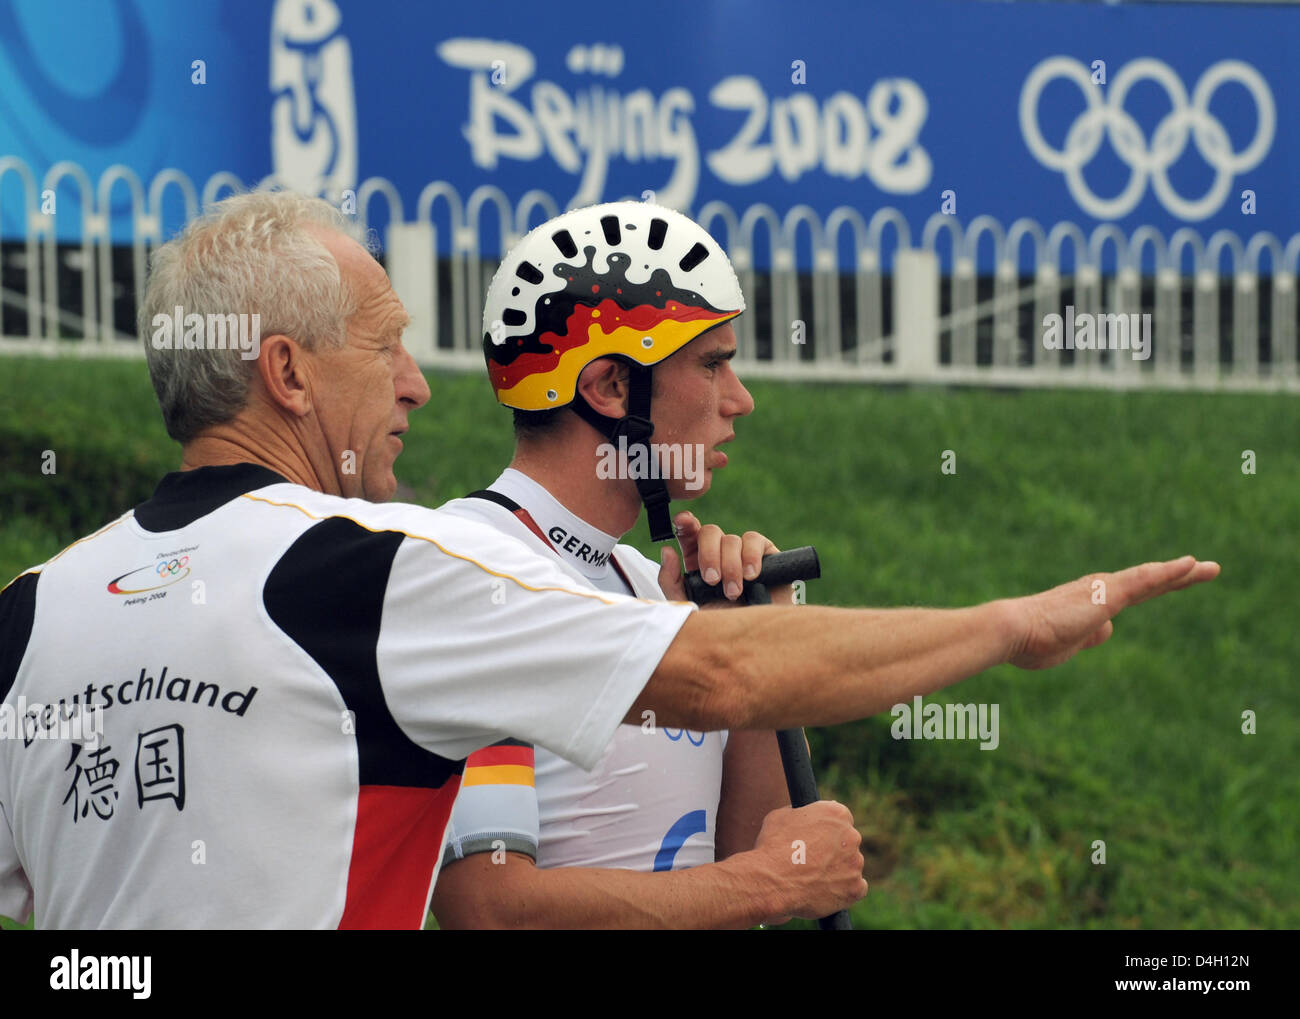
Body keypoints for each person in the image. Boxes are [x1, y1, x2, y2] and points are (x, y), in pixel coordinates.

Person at [0, 189, 1219, 930]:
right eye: (386, 347)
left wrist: (733, 627)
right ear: (287, 373)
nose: (417, 383)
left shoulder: (28, 612)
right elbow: (708, 697)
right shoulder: (385, 565)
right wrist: (1017, 622)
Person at [433, 202, 862, 929]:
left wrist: (753, 647)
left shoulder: (642, 580)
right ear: (608, 388)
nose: (741, 400)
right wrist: (770, 884)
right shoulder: (474, 568)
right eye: (713, 363)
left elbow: (733, 871)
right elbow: (490, 909)